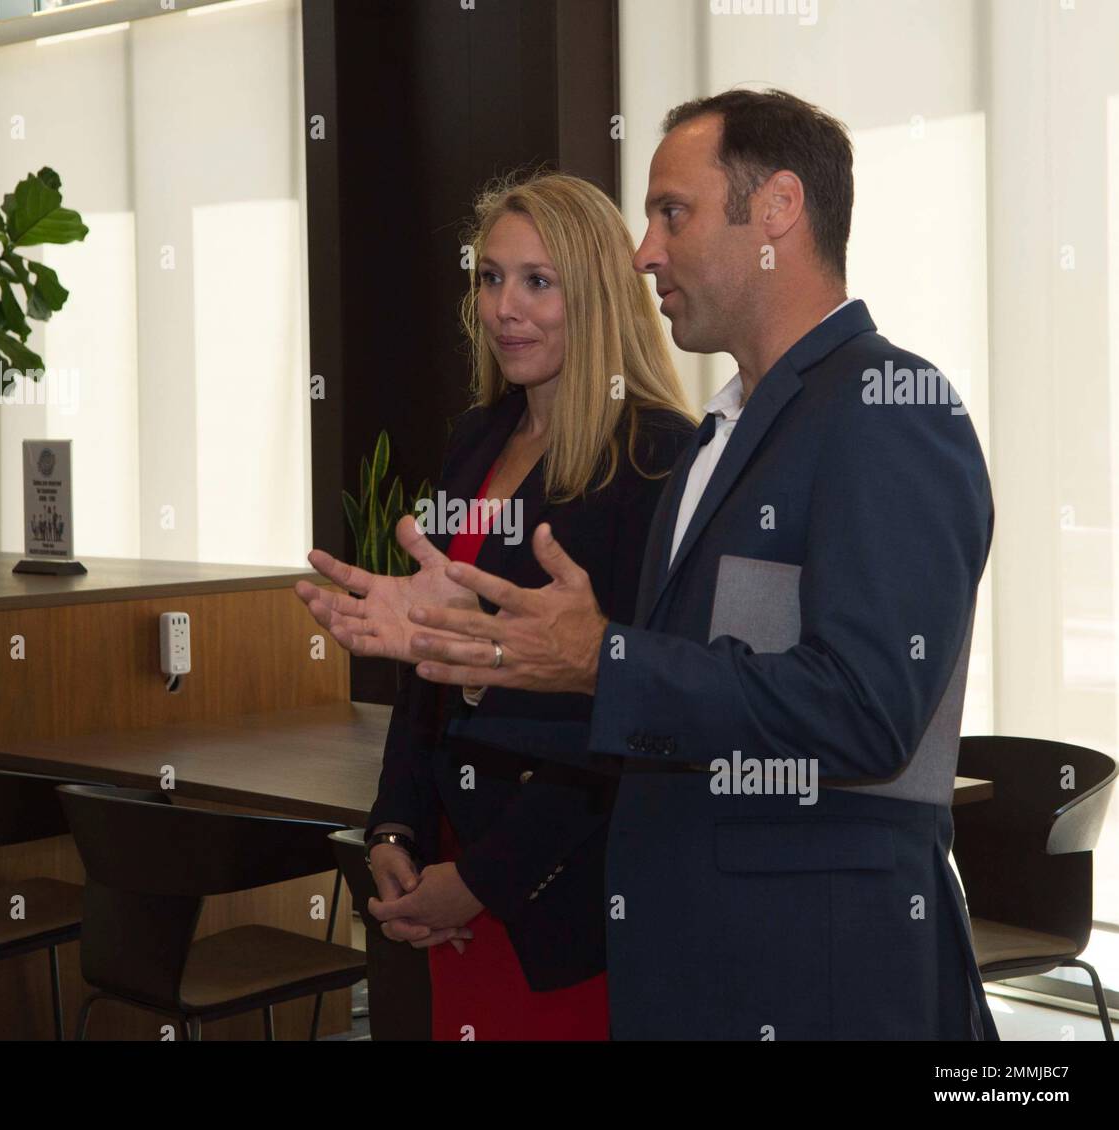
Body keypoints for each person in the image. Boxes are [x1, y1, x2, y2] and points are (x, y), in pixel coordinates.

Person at [327, 90, 999, 1041]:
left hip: (819, 982)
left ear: (776, 211)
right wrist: (478, 648)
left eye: (670, 213)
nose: (643, 250)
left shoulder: (890, 407)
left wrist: (602, 661)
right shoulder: (719, 438)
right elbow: (670, 716)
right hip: (693, 971)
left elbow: (869, 712)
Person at [296, 172, 695, 1040]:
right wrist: (395, 830)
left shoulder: (660, 456)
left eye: (537, 282)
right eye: (489, 277)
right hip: (446, 849)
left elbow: (630, 717)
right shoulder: (477, 439)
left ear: (593, 295)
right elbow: (430, 662)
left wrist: (481, 882)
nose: (504, 307)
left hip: (559, 888)